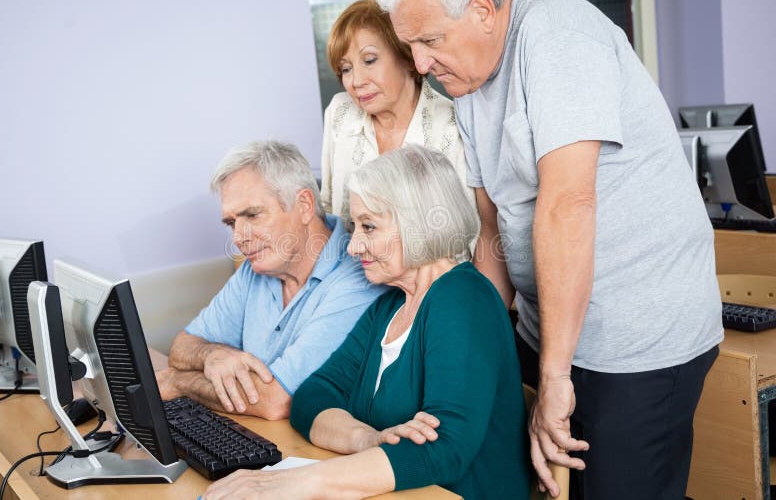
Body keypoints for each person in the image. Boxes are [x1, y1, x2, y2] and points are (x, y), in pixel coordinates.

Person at [378, 0, 723, 499]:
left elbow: (568, 205)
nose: (421, 64)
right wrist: (468, 334)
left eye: (430, 40)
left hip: (638, 338)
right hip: (553, 332)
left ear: (482, 11)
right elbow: (493, 228)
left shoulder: (558, 36)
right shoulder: (468, 86)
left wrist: (555, 377)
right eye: (410, 46)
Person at [202, 146, 531, 500]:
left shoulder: (463, 299)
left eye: (369, 227)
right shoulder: (389, 305)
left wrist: (299, 482)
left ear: (418, 222)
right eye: (355, 227)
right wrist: (368, 439)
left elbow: (444, 449)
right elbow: (312, 397)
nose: (353, 246)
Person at [156, 140, 386, 420]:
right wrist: (212, 355)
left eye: (252, 215)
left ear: (304, 205)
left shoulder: (358, 277)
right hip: (257, 434)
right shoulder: (260, 265)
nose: (239, 238)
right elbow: (182, 347)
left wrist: (178, 383)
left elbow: (276, 401)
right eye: (231, 223)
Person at [320, 0, 473, 223]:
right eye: (346, 69)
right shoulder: (340, 112)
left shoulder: (452, 125)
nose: (357, 81)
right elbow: (328, 208)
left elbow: (469, 227)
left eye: (369, 60)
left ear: (408, 58)